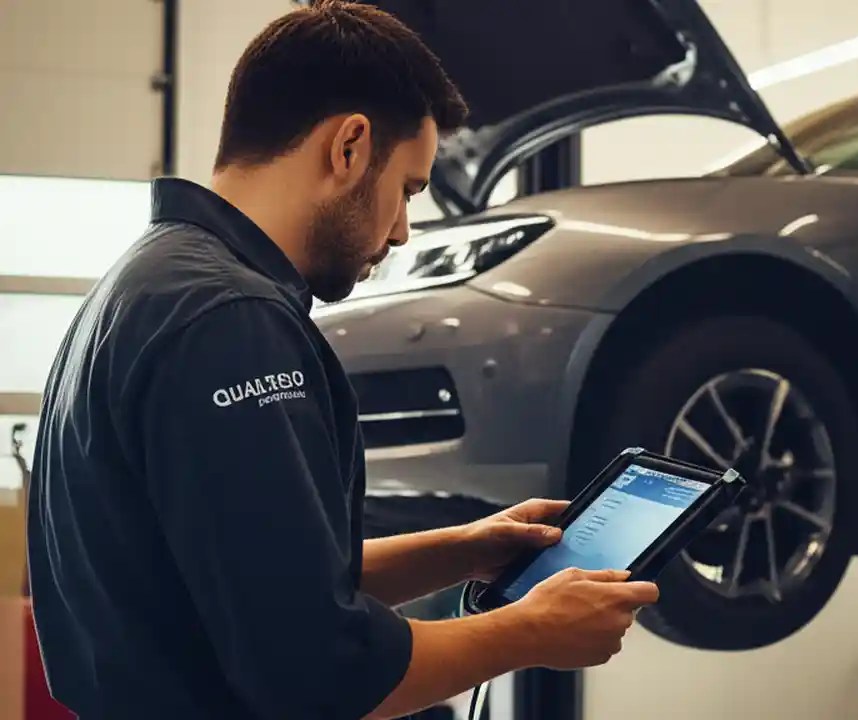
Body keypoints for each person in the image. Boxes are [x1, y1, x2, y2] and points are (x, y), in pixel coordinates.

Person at [25, 2, 659, 718]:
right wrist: (532, 629)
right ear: (349, 147)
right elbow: (322, 673)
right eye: (408, 191)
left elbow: (268, 585)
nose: (400, 232)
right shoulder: (231, 325)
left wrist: (463, 548)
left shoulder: (151, 281)